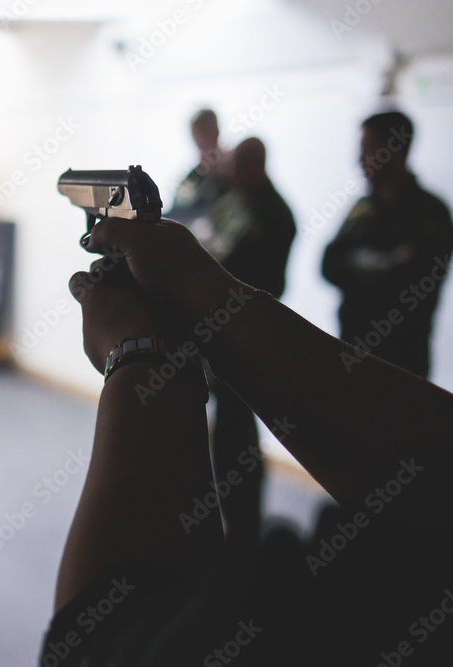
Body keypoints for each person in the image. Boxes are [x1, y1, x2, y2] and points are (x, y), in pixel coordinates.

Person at [39, 216, 453, 666]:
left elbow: (94, 646)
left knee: (241, 458)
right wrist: (197, 292)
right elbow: (432, 470)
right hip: (346, 352)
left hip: (395, 351)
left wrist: (137, 349)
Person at [201, 137, 296, 552]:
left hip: (250, 337)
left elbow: (245, 271)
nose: (229, 172)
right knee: (227, 433)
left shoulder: (273, 213)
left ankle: (244, 528)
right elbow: (204, 243)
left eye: (237, 165)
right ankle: (232, 522)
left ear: (256, 165)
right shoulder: (233, 200)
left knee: (239, 436)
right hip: (221, 334)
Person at [322, 110, 453, 378]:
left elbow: (410, 282)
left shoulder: (430, 212)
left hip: (402, 365)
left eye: (367, 148)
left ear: (392, 150)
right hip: (352, 355)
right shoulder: (362, 209)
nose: (359, 159)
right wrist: (382, 262)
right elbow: (328, 265)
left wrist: (358, 268)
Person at [167, 109, 230, 236]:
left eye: (205, 134)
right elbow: (176, 215)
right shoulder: (190, 179)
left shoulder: (233, 173)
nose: (201, 143)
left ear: (216, 132)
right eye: (198, 137)